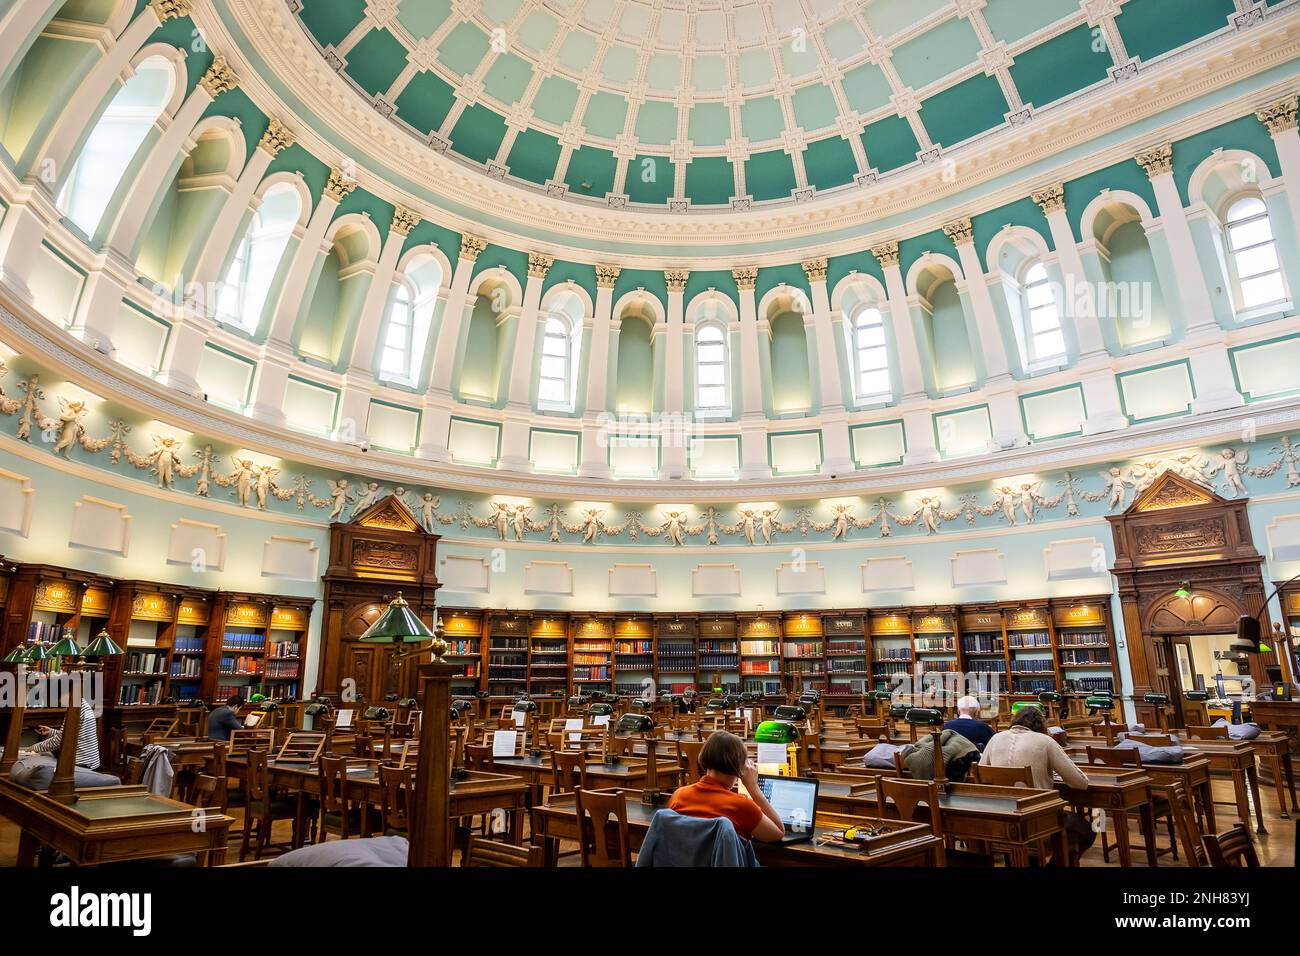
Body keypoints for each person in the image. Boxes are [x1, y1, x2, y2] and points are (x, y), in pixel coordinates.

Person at [980, 706, 1095, 857]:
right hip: (1037, 821)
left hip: (1002, 820)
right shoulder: (1045, 741)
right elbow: (1079, 783)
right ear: (1041, 725)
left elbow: (982, 775)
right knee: (1088, 830)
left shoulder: (995, 738)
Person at [666, 731, 784, 842]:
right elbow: (778, 833)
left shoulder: (679, 796)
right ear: (739, 767)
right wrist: (753, 787)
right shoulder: (741, 806)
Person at [30, 697, 100, 769]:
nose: (59, 701)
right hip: (90, 761)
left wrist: (34, 748)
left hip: (82, 764)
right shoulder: (82, 704)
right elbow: (71, 734)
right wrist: (51, 732)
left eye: (59, 698)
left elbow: (60, 740)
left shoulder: (75, 709)